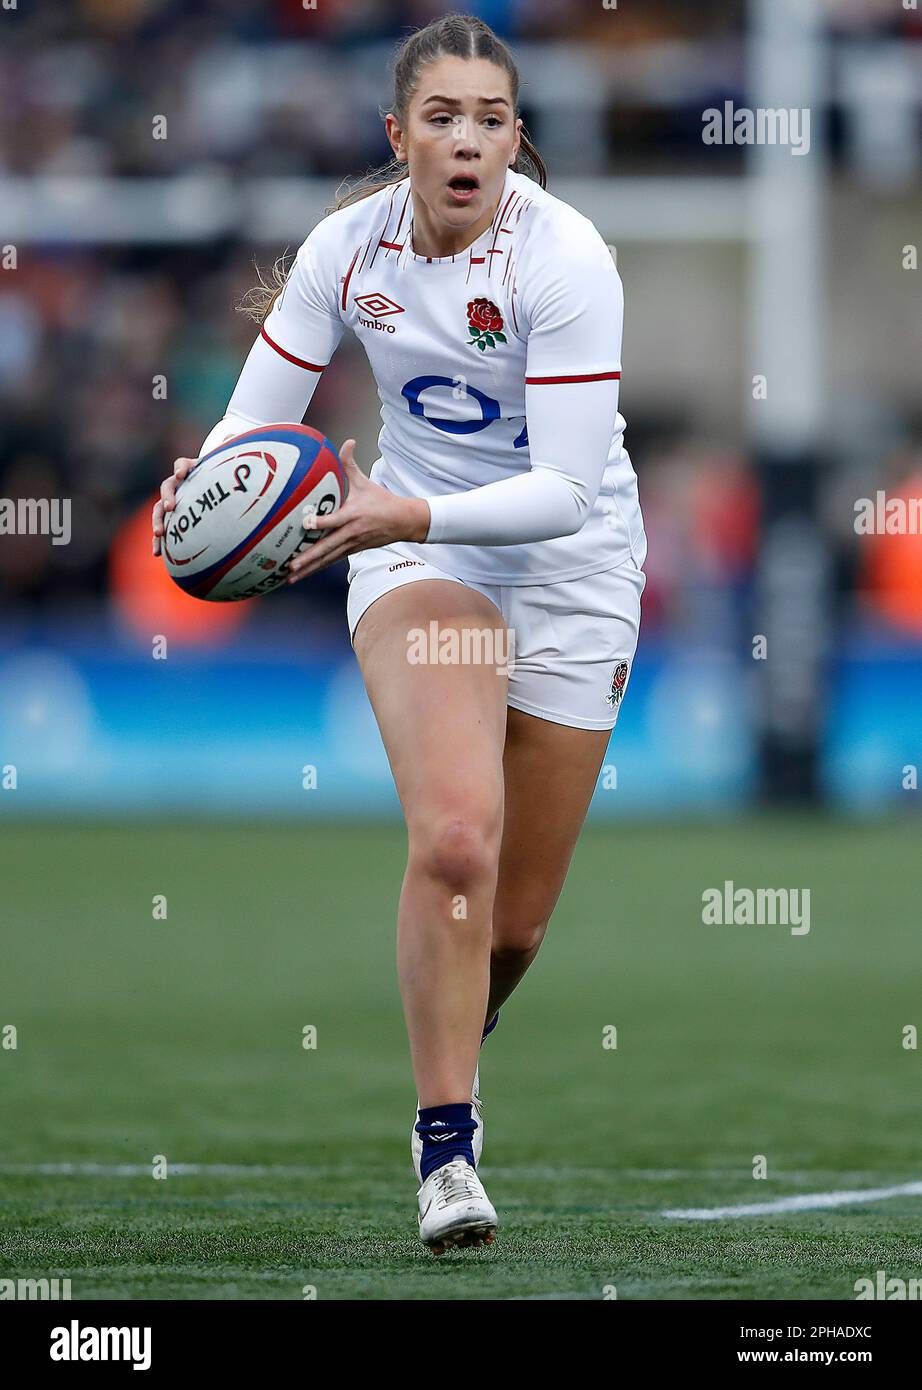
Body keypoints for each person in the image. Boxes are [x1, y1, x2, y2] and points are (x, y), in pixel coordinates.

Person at [152, 12, 646, 1256]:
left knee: (514, 925)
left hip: (570, 564)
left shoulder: (568, 259)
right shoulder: (345, 247)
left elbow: (571, 494)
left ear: (515, 137)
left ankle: (448, 1043)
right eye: (442, 117)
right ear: (398, 137)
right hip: (418, 555)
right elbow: (252, 424)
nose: (468, 140)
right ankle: (445, 1151)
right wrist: (199, 488)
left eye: (490, 118)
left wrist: (392, 506)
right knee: (457, 838)